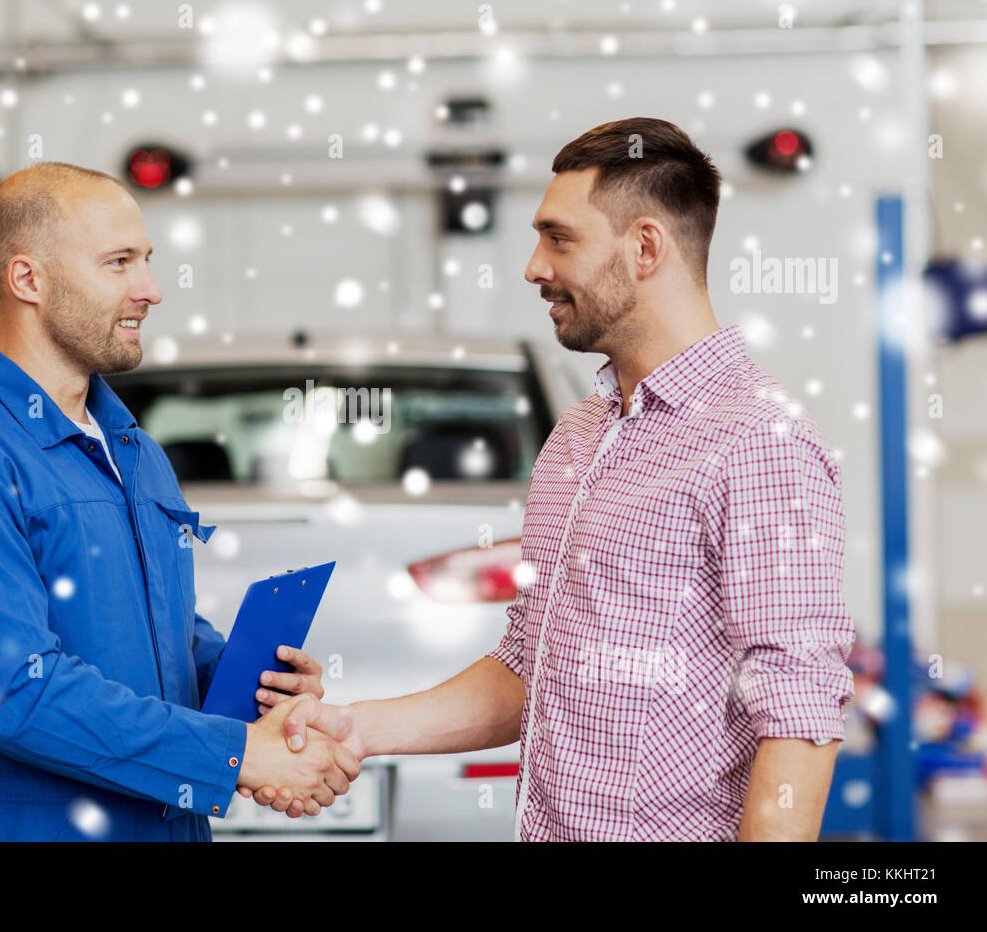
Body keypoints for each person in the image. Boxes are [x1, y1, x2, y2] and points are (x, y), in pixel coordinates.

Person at [248, 118, 856, 842]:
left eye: (558, 238)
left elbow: (798, 711)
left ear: (646, 248)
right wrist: (360, 727)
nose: (535, 266)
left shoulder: (761, 442)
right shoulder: (578, 437)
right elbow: (528, 668)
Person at [0, 161, 357, 841]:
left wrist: (250, 686)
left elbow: (160, 632)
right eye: (119, 262)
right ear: (27, 279)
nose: (151, 290)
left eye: (147, 261)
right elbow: (15, 692)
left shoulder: (132, 448)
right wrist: (241, 755)